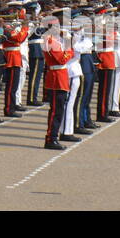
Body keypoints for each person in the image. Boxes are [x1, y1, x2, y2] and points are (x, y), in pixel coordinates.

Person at [42, 17, 74, 150]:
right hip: (56, 77)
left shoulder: (54, 39)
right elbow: (61, 59)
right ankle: (51, 138)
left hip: (60, 76)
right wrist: (69, 47)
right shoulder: (50, 40)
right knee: (56, 110)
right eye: (56, 27)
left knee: (58, 110)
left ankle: (53, 137)